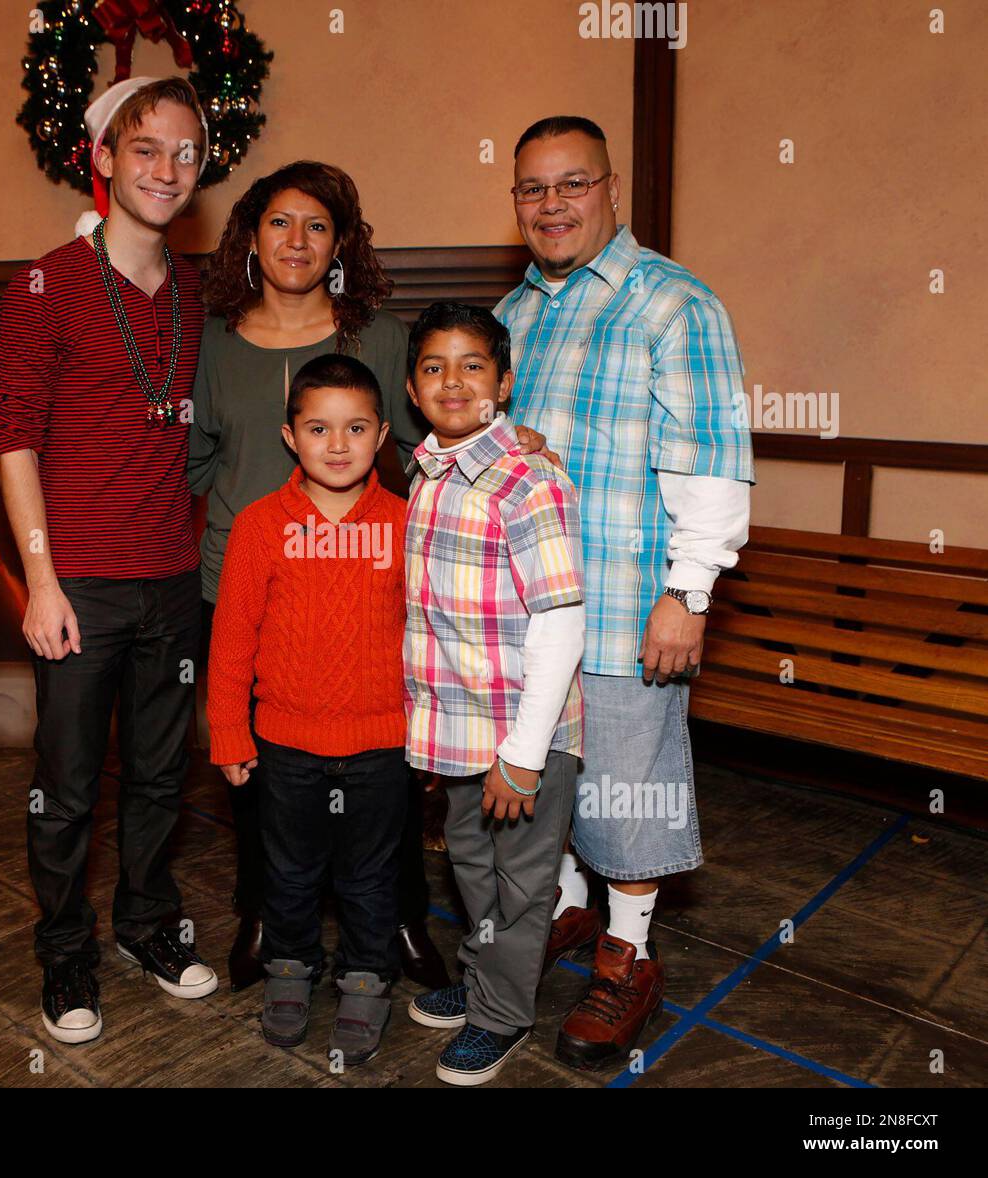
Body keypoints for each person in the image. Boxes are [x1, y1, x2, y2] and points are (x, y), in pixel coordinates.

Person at [494, 116, 754, 1070]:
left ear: (611, 189)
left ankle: (628, 955)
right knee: (553, 776)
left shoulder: (676, 306)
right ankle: (565, 909)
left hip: (623, 603)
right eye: (532, 189)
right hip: (530, 612)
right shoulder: (515, 312)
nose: (551, 204)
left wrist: (689, 592)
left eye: (571, 184)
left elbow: (714, 460)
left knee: (627, 790)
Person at [0, 76, 219, 1046]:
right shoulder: (45, 282)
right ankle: (65, 948)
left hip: (172, 579)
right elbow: (13, 439)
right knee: (70, 784)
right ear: (105, 158)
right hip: (77, 584)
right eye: (147, 149)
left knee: (163, 776)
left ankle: (146, 924)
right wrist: (40, 580)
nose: (167, 169)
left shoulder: (203, 291)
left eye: (186, 153)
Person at [187, 161, 449, 991]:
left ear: (340, 244)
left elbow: (430, 444)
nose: (296, 242)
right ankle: (267, 921)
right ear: (250, 238)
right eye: (278, 223)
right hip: (243, 582)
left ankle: (401, 920)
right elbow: (195, 464)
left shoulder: (378, 336)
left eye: (317, 227)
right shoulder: (214, 341)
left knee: (386, 780)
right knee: (261, 782)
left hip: (368, 587)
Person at [402, 302, 586, 1086]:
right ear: (412, 387)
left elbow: (561, 621)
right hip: (461, 731)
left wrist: (523, 754)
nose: (453, 382)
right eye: (435, 367)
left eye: (473, 366)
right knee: (473, 866)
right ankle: (485, 984)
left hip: (522, 737)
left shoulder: (526, 480)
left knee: (521, 883)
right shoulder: (429, 471)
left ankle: (503, 1017)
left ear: (504, 382)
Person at [208, 354, 408, 1066]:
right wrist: (230, 730)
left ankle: (366, 974)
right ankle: (289, 969)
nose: (337, 443)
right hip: (285, 742)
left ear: (382, 433)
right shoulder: (261, 525)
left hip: (383, 741)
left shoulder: (405, 523)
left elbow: (428, 635)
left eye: (355, 427)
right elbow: (233, 636)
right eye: (318, 427)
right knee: (287, 871)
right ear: (290, 436)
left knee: (370, 872)